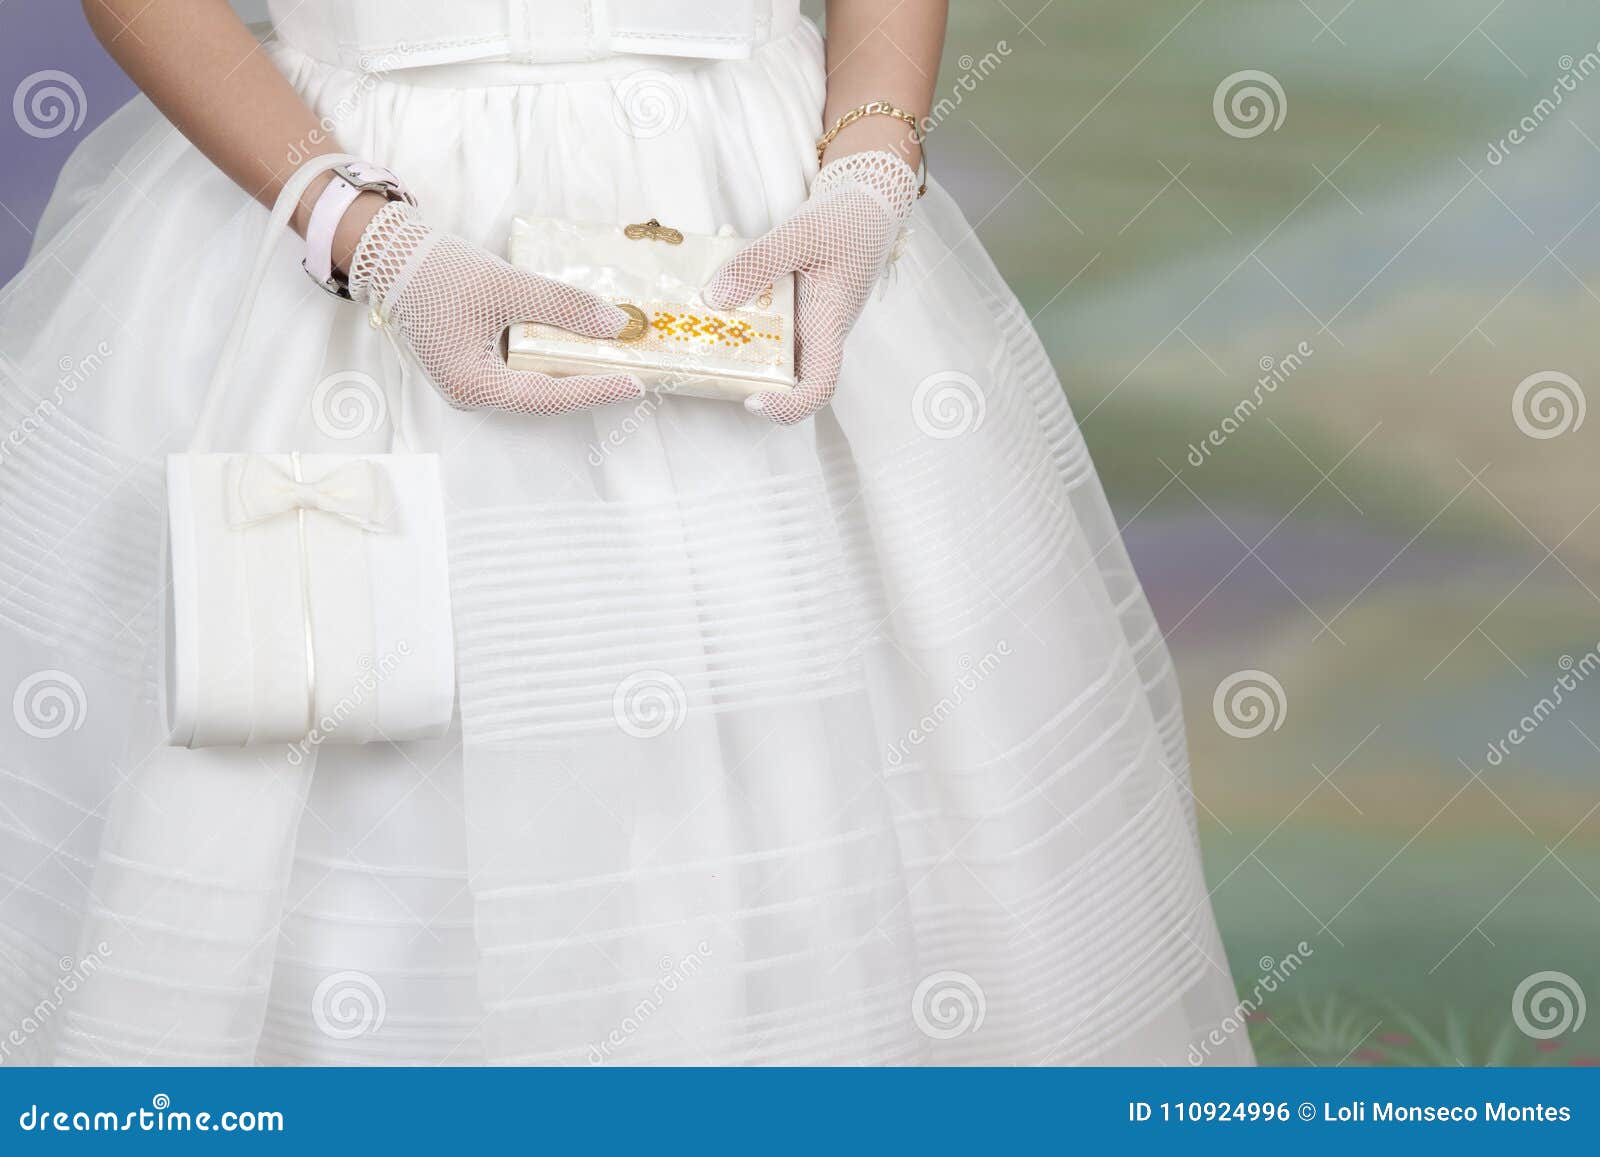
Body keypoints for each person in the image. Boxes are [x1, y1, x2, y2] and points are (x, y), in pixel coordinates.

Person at [0, 0, 1254, 1065]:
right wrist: (367, 240)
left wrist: (871, 167)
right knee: (324, 787)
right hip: (343, 208)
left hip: (755, 216)